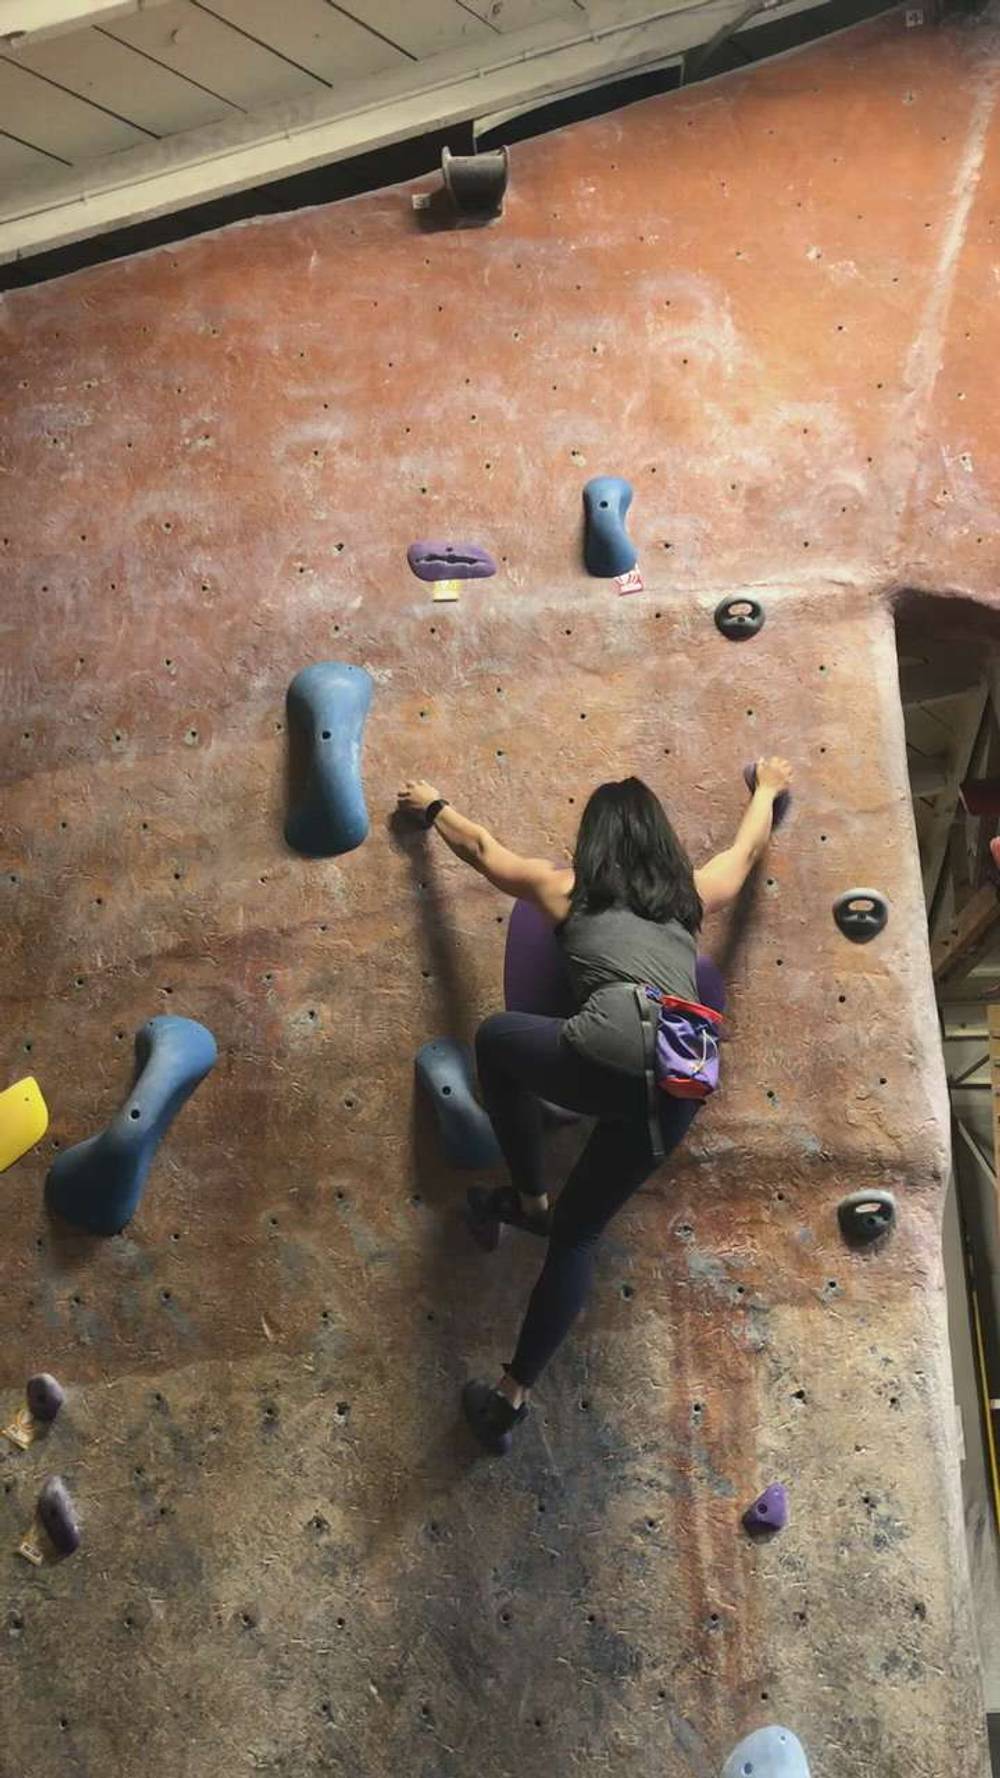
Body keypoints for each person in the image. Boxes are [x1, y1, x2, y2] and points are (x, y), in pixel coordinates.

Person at [397, 759, 793, 1454]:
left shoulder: (567, 890)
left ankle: (529, 1198)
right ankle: (510, 1400)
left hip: (604, 1049)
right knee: (580, 1239)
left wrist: (433, 807)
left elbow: (483, 850)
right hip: (682, 1073)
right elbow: (744, 851)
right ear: (661, 843)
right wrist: (765, 788)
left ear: (595, 842)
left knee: (494, 1038)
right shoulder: (688, 897)